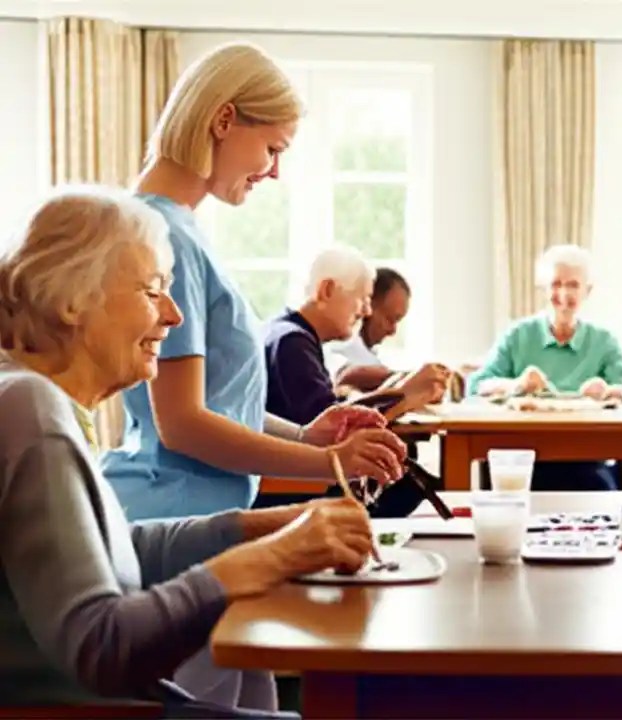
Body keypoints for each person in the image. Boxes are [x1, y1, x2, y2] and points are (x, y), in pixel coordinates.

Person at [0, 187, 375, 717]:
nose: (174, 316)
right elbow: (100, 646)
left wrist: (256, 528)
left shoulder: (33, 400)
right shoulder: (32, 412)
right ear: (71, 301)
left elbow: (110, 552)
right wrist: (273, 557)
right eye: (153, 291)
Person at [102, 41, 408, 526]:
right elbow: (182, 425)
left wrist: (305, 437)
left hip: (181, 510)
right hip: (172, 514)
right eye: (273, 149)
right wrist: (330, 463)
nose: (274, 171)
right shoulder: (168, 236)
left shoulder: (169, 227)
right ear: (223, 120)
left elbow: (216, 402)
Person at [260, 248, 445, 513]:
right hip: (299, 491)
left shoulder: (286, 333)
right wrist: (403, 396)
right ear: (326, 290)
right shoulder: (291, 342)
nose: (367, 311)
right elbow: (335, 431)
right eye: (364, 298)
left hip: (303, 476)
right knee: (423, 492)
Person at [468, 244, 622, 490]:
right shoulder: (518, 335)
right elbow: (475, 386)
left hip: (586, 457)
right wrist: (517, 385)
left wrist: (609, 391)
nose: (564, 294)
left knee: (599, 487)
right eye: (556, 284)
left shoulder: (602, 340)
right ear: (543, 288)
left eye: (573, 285)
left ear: (587, 291)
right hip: (524, 458)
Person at [329, 267, 410, 393]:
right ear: (368, 305)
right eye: (390, 319)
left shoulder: (370, 357)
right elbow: (345, 375)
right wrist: (407, 378)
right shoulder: (338, 343)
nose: (392, 331)